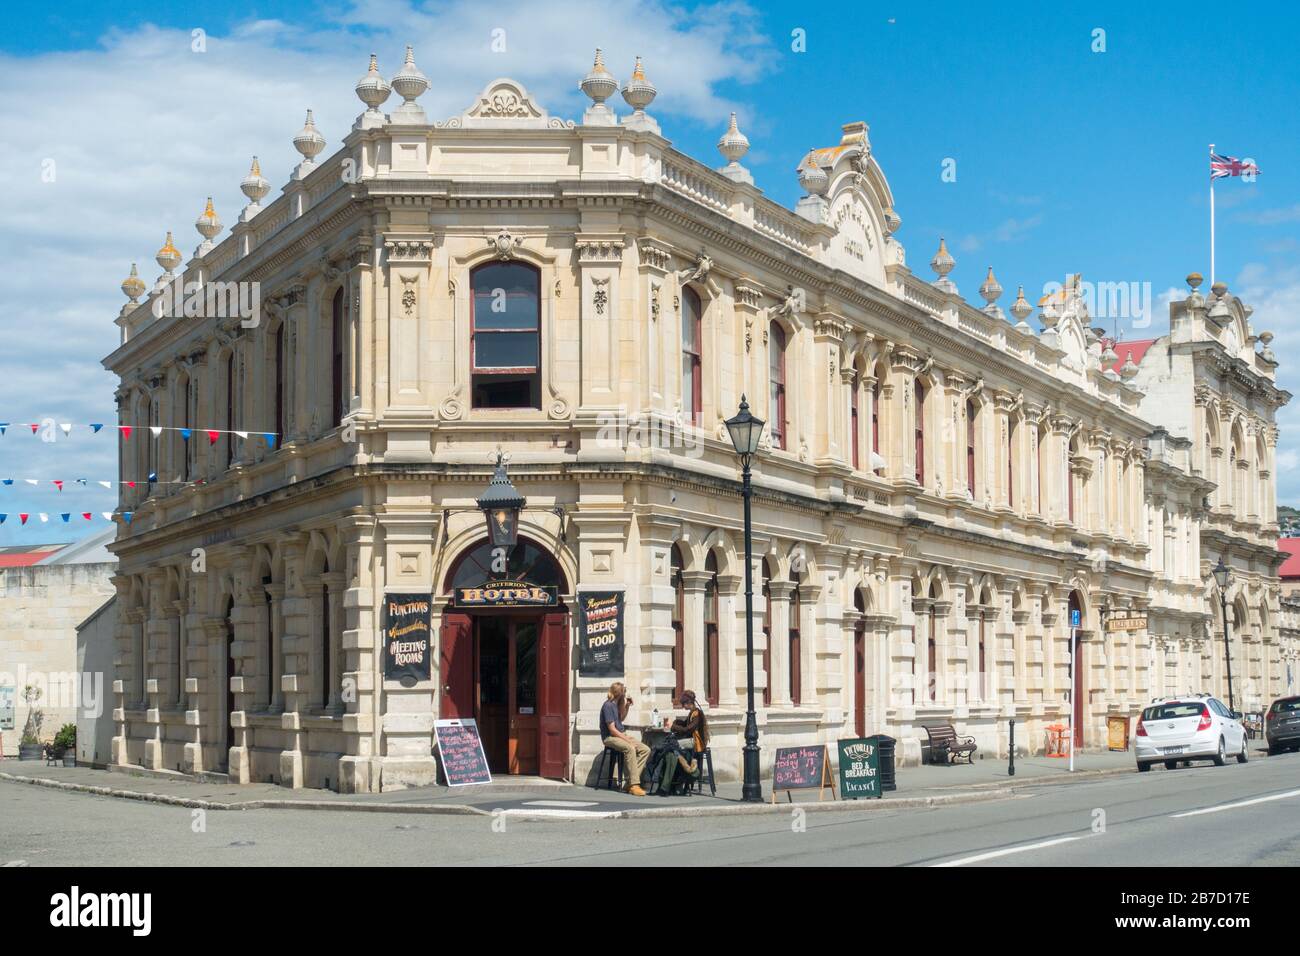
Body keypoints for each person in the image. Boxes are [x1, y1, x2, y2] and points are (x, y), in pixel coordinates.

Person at [599, 682, 651, 796]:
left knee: (645, 749)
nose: (626, 694)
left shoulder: (615, 705)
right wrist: (627, 740)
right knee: (630, 748)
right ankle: (634, 785)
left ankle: (629, 782)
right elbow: (612, 729)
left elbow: (620, 719)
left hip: (620, 734)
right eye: (624, 691)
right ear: (620, 693)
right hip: (610, 737)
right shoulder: (608, 705)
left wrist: (626, 706)